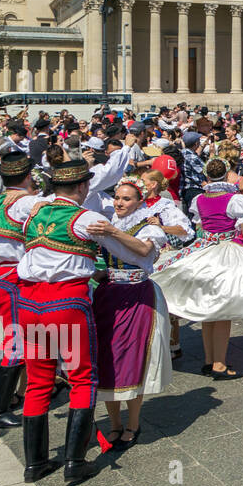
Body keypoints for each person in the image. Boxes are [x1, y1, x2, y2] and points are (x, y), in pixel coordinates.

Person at [17, 158, 142, 485]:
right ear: (83, 186)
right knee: (82, 378)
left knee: (38, 380)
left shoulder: (32, 210)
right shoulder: (87, 218)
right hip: (66, 303)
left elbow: (14, 205)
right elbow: (135, 255)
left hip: (29, 303)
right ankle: (74, 462)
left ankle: (35, 464)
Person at [152, 157, 243, 378]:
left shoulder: (199, 199)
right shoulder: (234, 200)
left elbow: (201, 225)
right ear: (228, 174)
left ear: (207, 176)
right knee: (222, 311)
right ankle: (219, 363)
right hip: (226, 253)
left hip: (204, 251)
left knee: (210, 313)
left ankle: (210, 360)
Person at [93, 177, 172, 449]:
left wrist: (111, 233)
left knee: (132, 357)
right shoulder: (109, 223)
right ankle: (114, 422)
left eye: (126, 199)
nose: (119, 202)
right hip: (109, 294)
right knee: (107, 358)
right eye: (117, 197)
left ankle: (133, 422)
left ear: (139, 202)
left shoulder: (149, 227)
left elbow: (142, 249)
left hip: (138, 294)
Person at [0, 152, 37, 430]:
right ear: (27, 176)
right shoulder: (28, 202)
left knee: (11, 340)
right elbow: (65, 205)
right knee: (18, 342)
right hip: (12, 276)